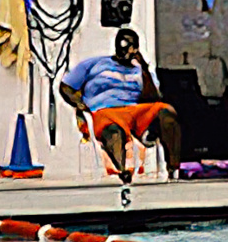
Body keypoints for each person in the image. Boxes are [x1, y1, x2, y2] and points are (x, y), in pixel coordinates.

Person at [57, 27, 181, 183]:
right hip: (104, 110)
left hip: (134, 110)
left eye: (131, 46)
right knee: (114, 132)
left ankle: (173, 170)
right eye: (124, 44)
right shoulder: (95, 64)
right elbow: (66, 87)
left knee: (167, 113)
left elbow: (153, 97)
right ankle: (122, 172)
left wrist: (144, 68)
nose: (127, 50)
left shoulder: (140, 70)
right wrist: (80, 104)